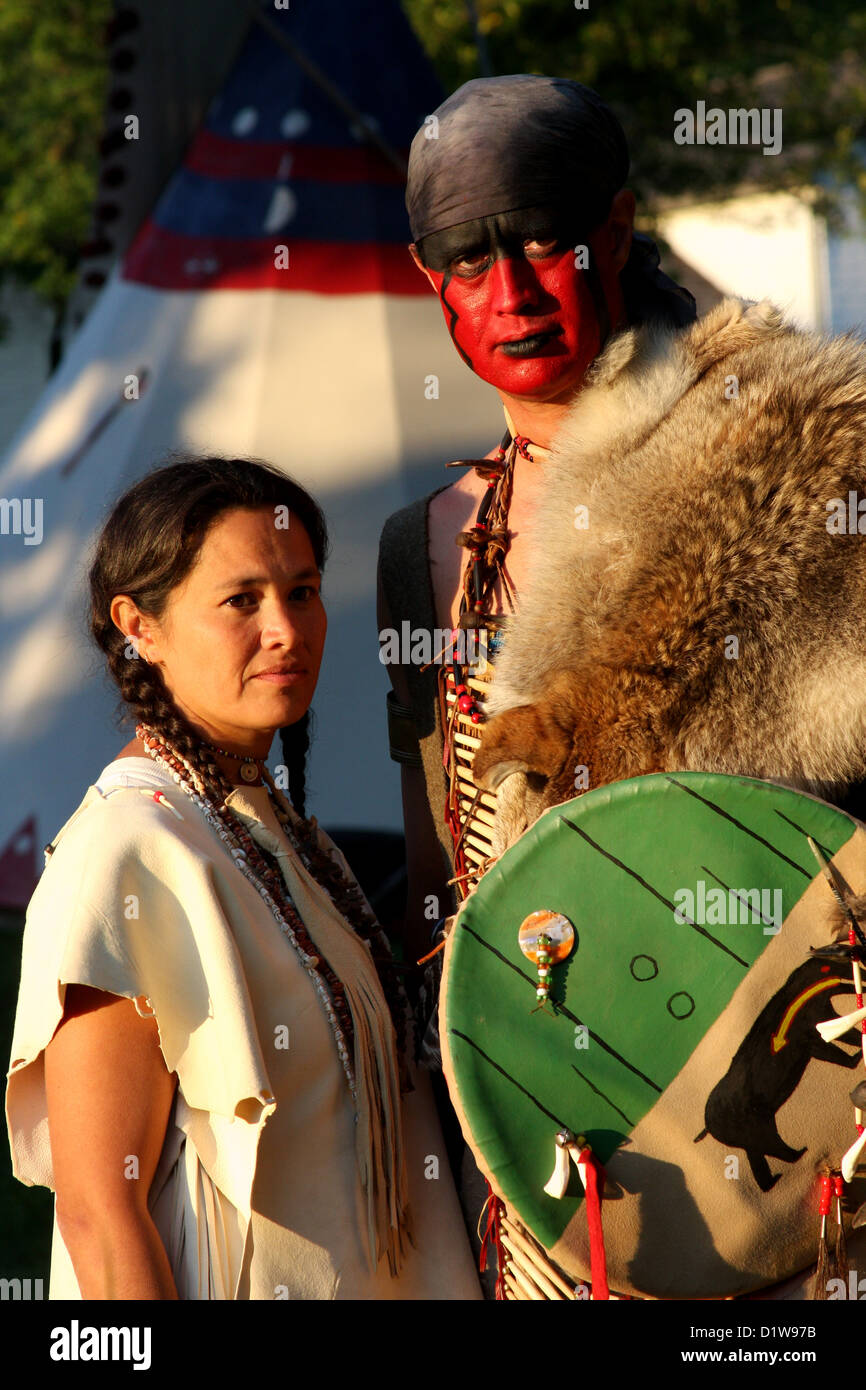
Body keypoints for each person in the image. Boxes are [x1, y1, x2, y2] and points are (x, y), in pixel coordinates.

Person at [6, 455, 481, 1300]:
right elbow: (99, 1212)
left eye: (303, 592)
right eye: (242, 600)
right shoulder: (128, 850)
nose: (287, 631)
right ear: (138, 626)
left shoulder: (278, 834)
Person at [377, 75, 695, 1296]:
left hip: (763, 1094)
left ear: (613, 232)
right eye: (467, 261)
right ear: (428, 277)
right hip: (536, 1129)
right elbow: (436, 871)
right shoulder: (425, 549)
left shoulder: (756, 475)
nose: (507, 297)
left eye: (544, 246)